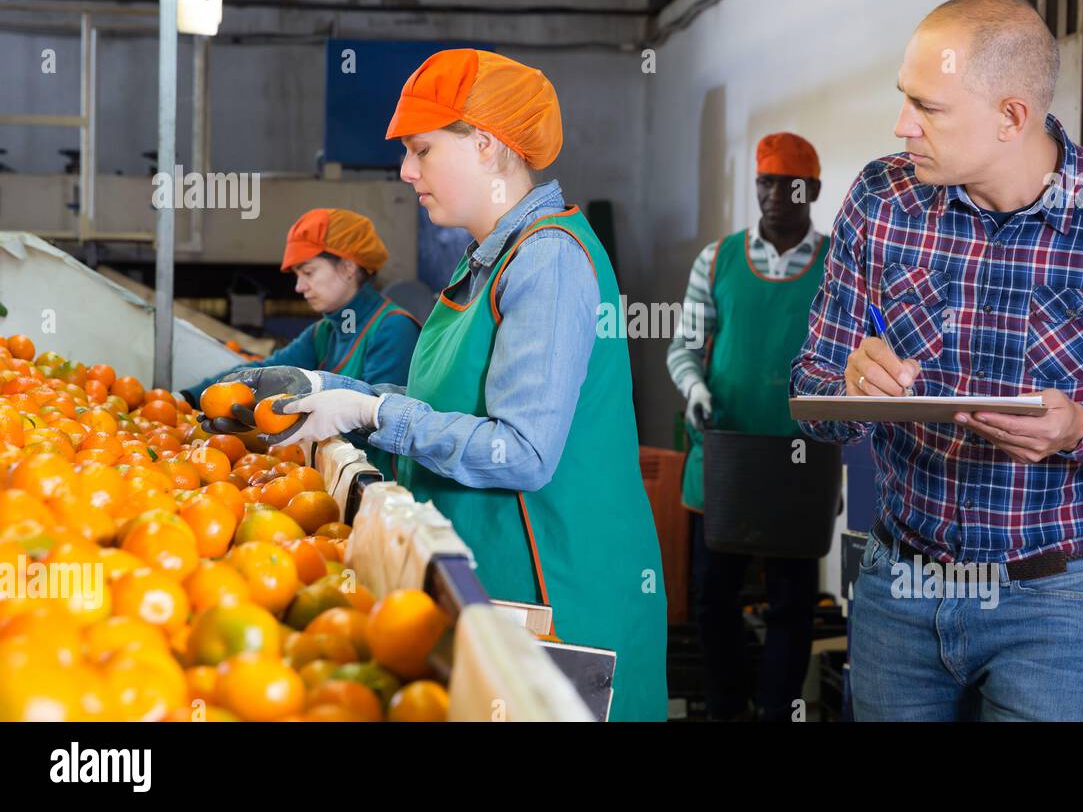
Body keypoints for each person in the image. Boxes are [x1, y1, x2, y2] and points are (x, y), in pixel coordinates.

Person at [791, 0, 1083, 721]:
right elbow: (812, 396)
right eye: (905, 99)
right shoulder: (881, 200)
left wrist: (1081, 430)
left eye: (927, 108)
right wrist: (848, 383)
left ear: (1011, 117)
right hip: (899, 589)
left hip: (1056, 603)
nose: (901, 126)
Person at [218, 49, 668, 721]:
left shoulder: (545, 259)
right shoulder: (489, 261)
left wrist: (371, 411)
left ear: (487, 147)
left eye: (422, 150)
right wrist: (321, 385)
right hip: (501, 589)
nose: (406, 171)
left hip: (559, 598)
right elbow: (447, 407)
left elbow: (522, 450)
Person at [666, 133, 828, 721]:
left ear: (811, 189)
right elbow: (683, 348)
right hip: (726, 451)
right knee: (713, 597)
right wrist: (696, 389)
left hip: (801, 459)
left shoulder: (837, 265)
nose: (774, 195)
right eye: (764, 182)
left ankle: (778, 710)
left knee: (792, 600)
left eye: (788, 184)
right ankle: (725, 710)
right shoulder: (718, 259)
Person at [181, 208, 420, 408]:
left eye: (308, 272)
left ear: (348, 267)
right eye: (297, 275)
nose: (299, 287)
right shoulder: (326, 331)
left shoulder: (394, 328)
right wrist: (189, 397)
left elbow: (380, 416)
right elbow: (265, 372)